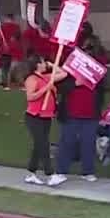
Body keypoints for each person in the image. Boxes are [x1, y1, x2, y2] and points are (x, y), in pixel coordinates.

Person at [48, 49, 102, 187]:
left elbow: (105, 88)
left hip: (90, 116)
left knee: (88, 144)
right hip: (71, 115)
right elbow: (58, 87)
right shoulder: (70, 74)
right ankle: (61, 171)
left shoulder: (96, 75)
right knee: (67, 142)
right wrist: (75, 84)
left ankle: (88, 172)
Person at [22, 54, 65, 185]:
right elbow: (30, 97)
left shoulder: (46, 77)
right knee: (44, 145)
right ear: (37, 65)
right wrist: (45, 89)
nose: (44, 64)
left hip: (46, 117)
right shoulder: (31, 79)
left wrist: (52, 65)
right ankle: (50, 174)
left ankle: (31, 173)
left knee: (38, 146)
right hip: (35, 117)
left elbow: (64, 74)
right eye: (42, 62)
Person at [0, 14, 22, 87]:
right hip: (14, 50)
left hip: (5, 50)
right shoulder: (17, 27)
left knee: (5, 69)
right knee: (12, 69)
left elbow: (0, 38)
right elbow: (19, 38)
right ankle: (13, 83)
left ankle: (6, 84)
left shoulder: (2, 27)